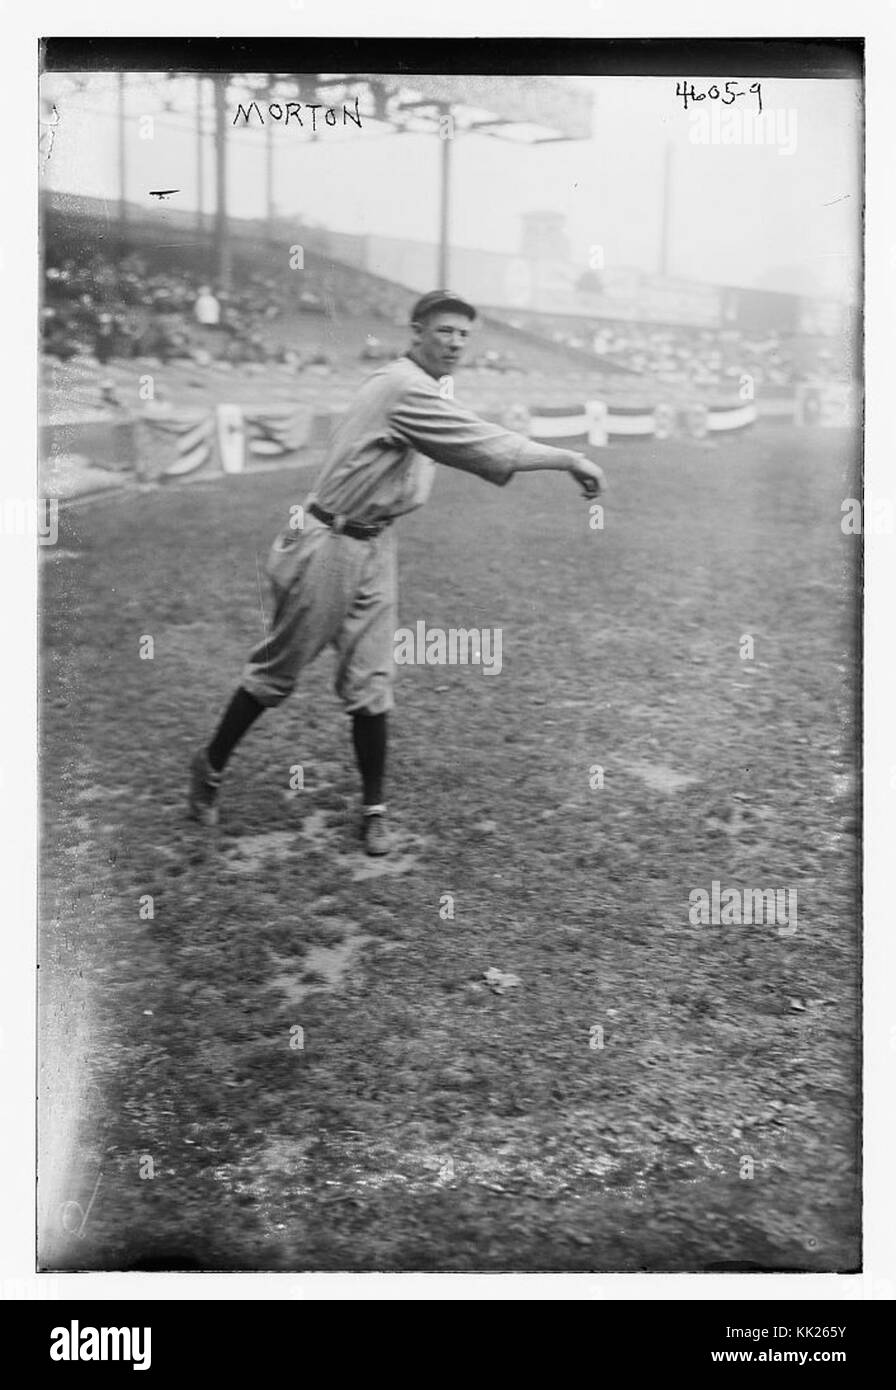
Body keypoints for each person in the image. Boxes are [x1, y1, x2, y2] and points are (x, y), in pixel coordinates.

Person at [188, 290, 605, 855]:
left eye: (464, 333)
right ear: (416, 332)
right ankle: (209, 768)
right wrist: (570, 458)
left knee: (372, 682)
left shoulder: (421, 389)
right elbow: (486, 443)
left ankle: (373, 810)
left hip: (374, 543)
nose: (455, 342)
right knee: (275, 675)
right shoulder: (402, 387)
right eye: (444, 331)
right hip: (327, 543)